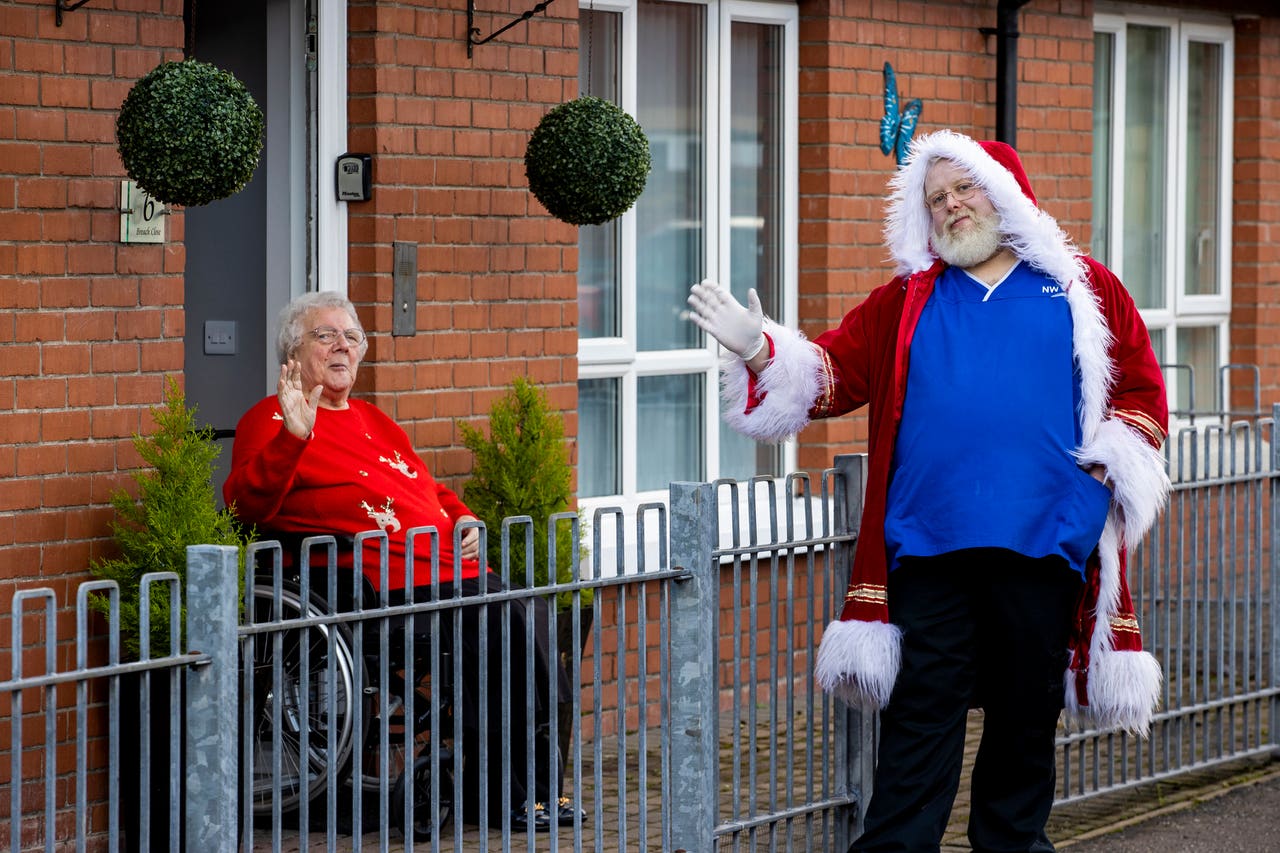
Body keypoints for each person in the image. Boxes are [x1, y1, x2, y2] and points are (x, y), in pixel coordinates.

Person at [687, 130, 1170, 852]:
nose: (949, 206)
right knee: (920, 727)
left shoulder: (1083, 287)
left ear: (1001, 194)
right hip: (929, 552)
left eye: (962, 189)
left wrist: (1107, 465)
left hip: (1045, 549)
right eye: (936, 197)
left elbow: (1140, 386)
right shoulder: (904, 301)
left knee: (1023, 729)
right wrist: (760, 348)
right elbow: (830, 376)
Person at [224, 291, 581, 831]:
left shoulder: (374, 419)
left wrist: (463, 519)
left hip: (451, 574)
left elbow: (427, 488)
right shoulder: (270, 417)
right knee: (501, 626)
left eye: (352, 336)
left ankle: (535, 789)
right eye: (325, 335)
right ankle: (503, 793)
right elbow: (244, 506)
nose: (341, 346)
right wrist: (294, 436)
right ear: (292, 353)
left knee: (538, 616)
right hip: (375, 586)